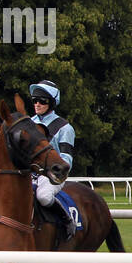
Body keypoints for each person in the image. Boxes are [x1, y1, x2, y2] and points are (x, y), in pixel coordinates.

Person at [28, 80, 76, 230]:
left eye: (42, 101)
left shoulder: (65, 128)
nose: (37, 104)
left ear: (52, 103)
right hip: (29, 173)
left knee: (43, 197)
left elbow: (66, 159)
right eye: (35, 100)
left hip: (53, 176)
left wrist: (48, 172)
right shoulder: (29, 123)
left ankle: (67, 221)